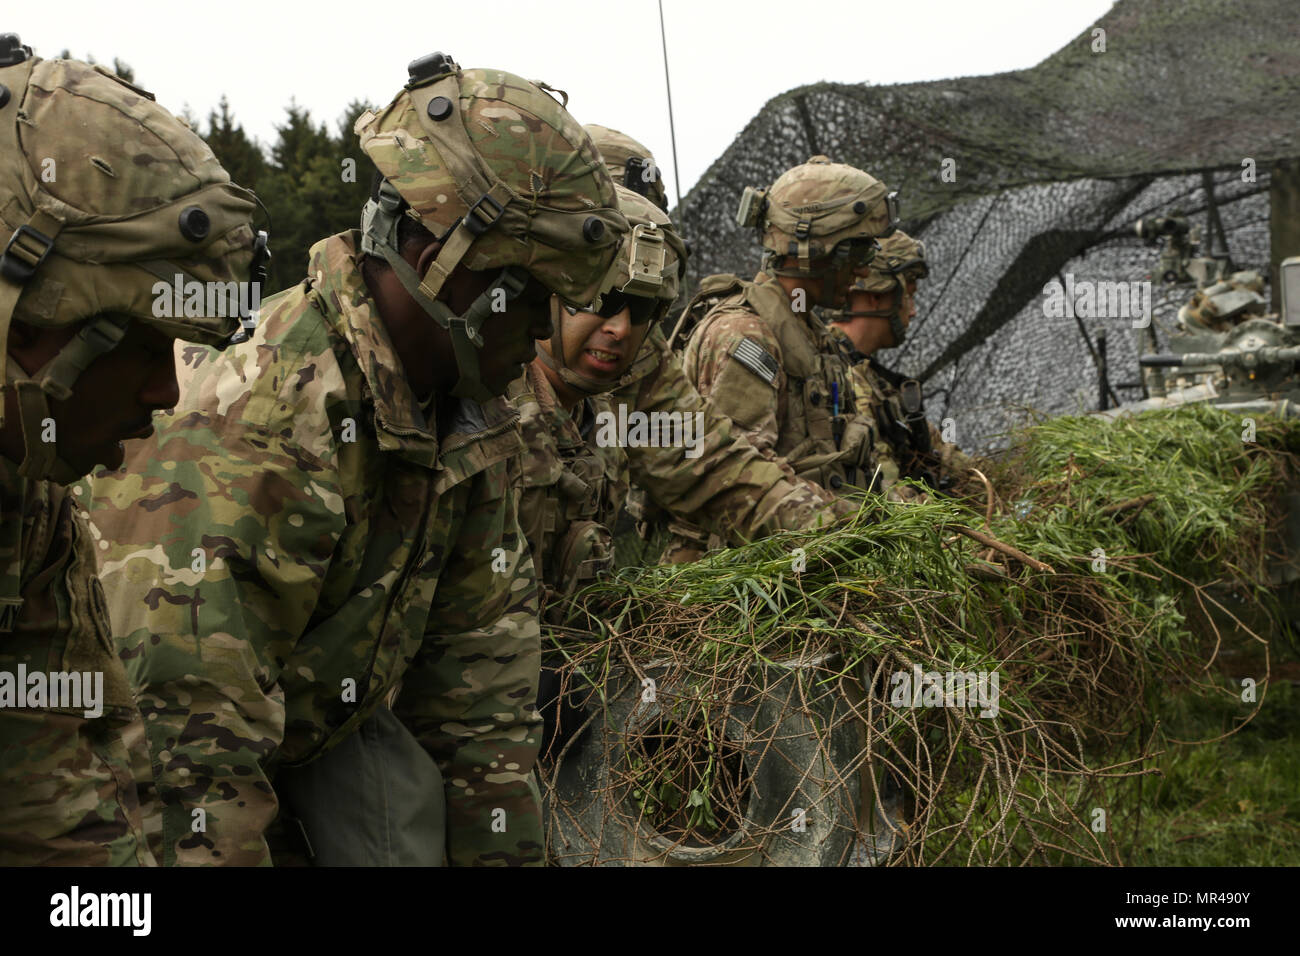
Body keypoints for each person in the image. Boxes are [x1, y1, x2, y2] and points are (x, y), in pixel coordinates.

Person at [82, 54, 629, 866]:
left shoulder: (465, 412)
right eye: (543, 297)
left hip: (321, 724)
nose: (551, 337)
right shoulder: (268, 415)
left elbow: (479, 701)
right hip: (145, 763)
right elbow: (184, 753)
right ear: (463, 274)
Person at [0, 42, 259, 864]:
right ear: (33, 313)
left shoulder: (32, 505)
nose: (169, 393)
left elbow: (60, 812)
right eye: (145, 347)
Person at [511, 183, 844, 755]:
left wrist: (846, 535)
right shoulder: (485, 376)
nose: (619, 328)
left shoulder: (637, 369)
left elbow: (715, 465)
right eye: (599, 300)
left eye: (641, 309)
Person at [664, 155, 894, 558]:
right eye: (857, 254)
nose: (862, 272)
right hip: (740, 586)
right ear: (816, 250)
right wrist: (849, 530)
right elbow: (737, 478)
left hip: (807, 563)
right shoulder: (745, 335)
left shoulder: (813, 335)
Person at [825, 231, 970, 499]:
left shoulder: (875, 381)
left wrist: (998, 480)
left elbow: (940, 451)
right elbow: (888, 498)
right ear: (877, 296)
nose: (913, 311)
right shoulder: (839, 376)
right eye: (909, 296)